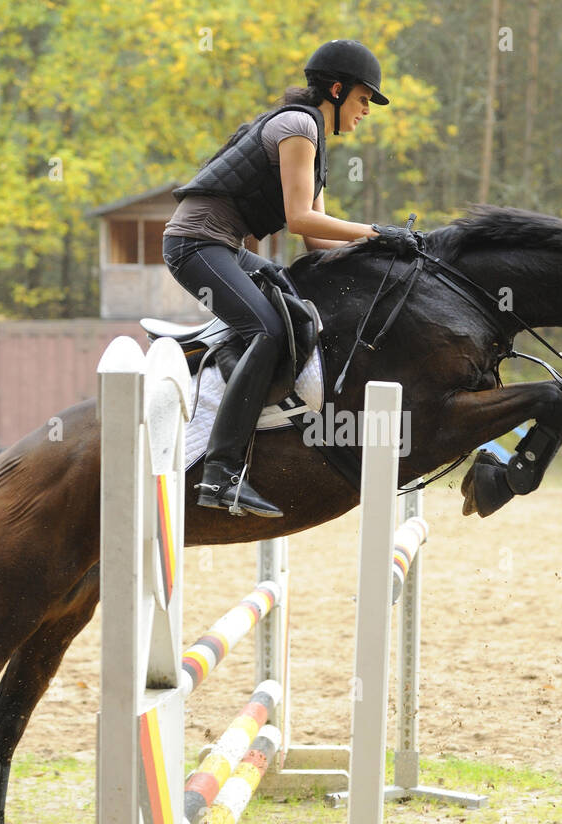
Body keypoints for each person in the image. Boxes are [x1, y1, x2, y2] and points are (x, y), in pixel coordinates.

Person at [163, 38, 421, 518]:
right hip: (196, 244)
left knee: (295, 306)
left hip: (220, 246)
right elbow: (301, 219)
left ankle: (250, 413)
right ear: (338, 89)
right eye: (365, 99)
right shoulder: (299, 125)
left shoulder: (313, 138)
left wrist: (380, 249)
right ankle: (220, 473)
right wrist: (377, 232)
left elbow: (317, 245)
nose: (366, 110)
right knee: (269, 328)